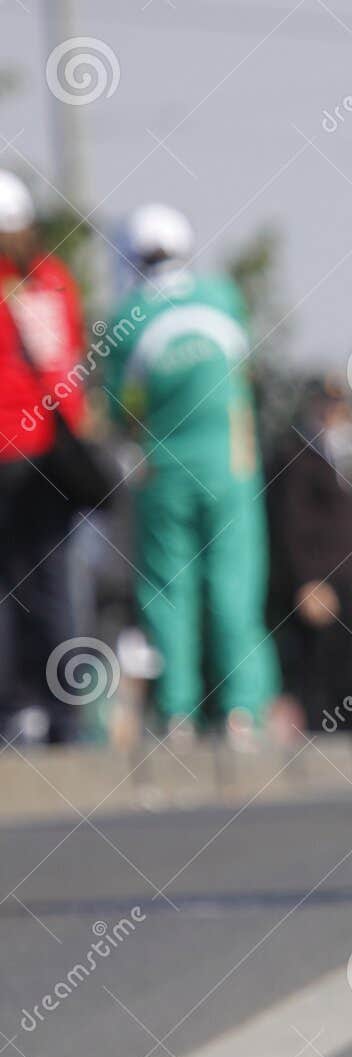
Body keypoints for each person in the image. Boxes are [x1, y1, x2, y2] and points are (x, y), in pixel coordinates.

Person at [105, 203, 278, 743]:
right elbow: (246, 377)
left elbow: (120, 412)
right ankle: (243, 712)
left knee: (167, 588)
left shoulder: (127, 318)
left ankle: (178, 713)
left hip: (164, 468)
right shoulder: (221, 297)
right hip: (231, 463)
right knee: (235, 583)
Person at [0, 171, 91, 744]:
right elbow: (69, 374)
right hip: (44, 458)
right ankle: (63, 714)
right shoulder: (51, 282)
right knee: (51, 586)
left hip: (9, 457)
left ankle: (13, 712)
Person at [266, 376, 352, 734]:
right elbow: (290, 525)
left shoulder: (346, 452)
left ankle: (350, 735)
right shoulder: (294, 454)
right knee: (316, 666)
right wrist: (306, 581)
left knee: (351, 662)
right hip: (318, 577)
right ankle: (321, 738)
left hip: (348, 574)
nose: (333, 413)